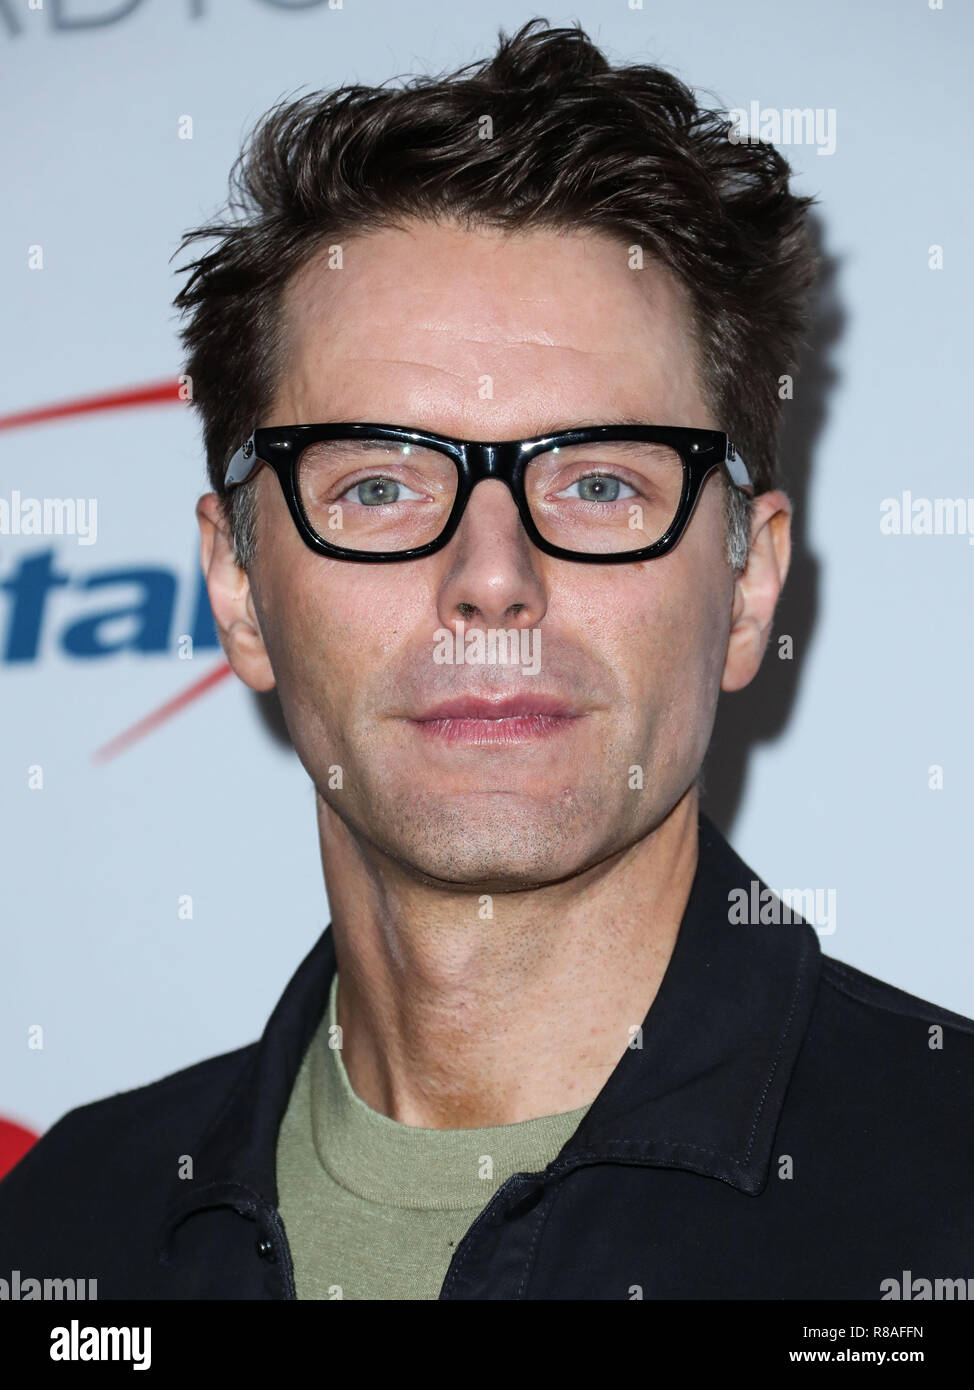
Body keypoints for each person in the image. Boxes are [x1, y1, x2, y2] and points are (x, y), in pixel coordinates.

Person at [2, 18, 971, 1302]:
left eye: (601, 480)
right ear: (238, 586)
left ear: (746, 587)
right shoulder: (69, 1233)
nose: (493, 579)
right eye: (381, 484)